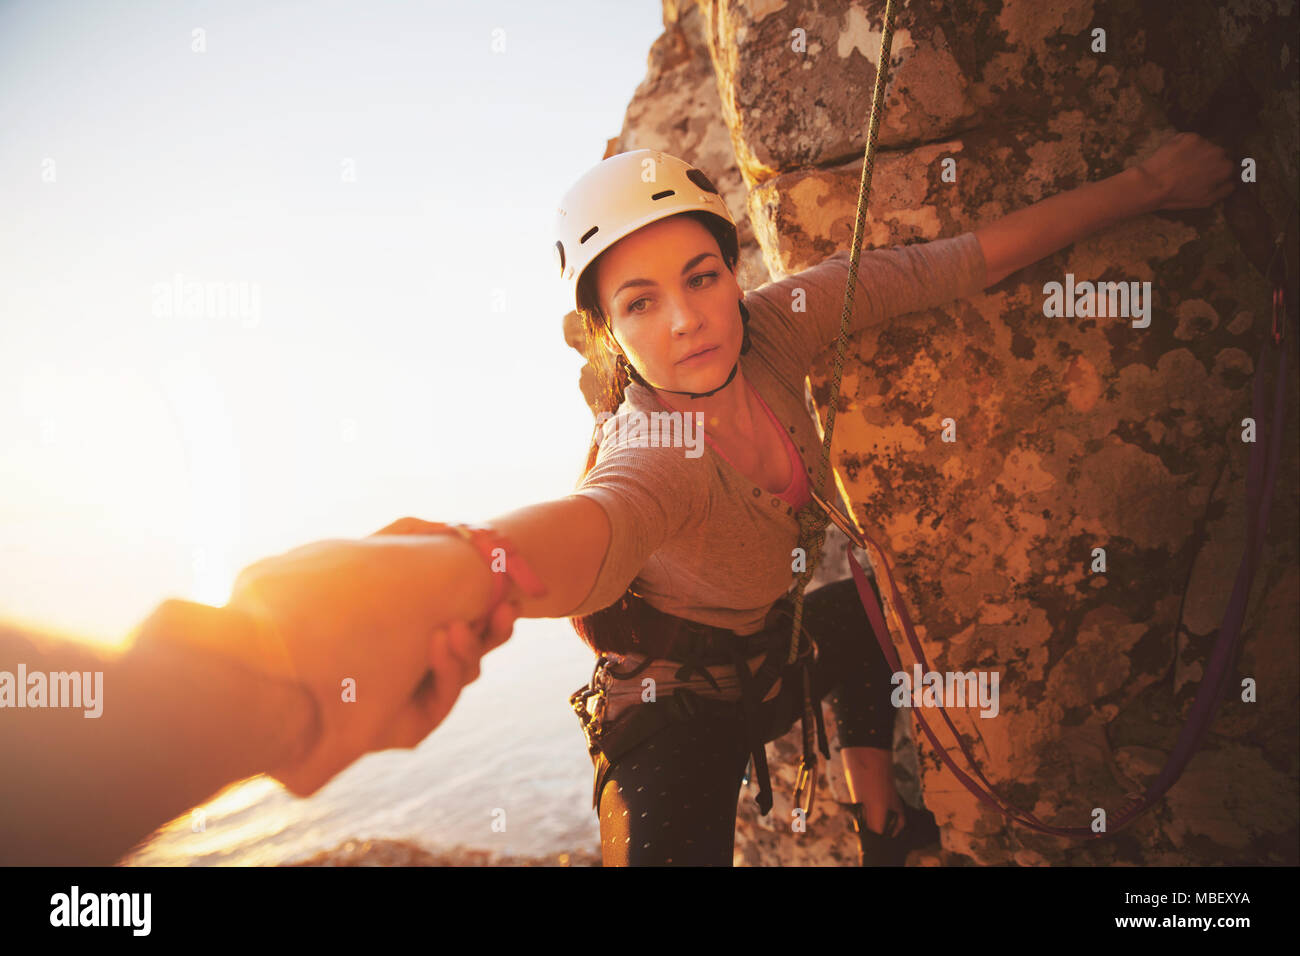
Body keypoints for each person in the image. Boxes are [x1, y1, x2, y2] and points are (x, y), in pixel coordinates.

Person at [0, 133, 1232, 867]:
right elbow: (584, 536)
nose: (688, 316)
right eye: (639, 302)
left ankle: (880, 829)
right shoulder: (652, 461)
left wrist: (1142, 182)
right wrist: (441, 574)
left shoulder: (780, 326)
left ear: (731, 271)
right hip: (676, 706)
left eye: (699, 275)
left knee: (852, 602)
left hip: (782, 635)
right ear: (602, 328)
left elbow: (966, 263)